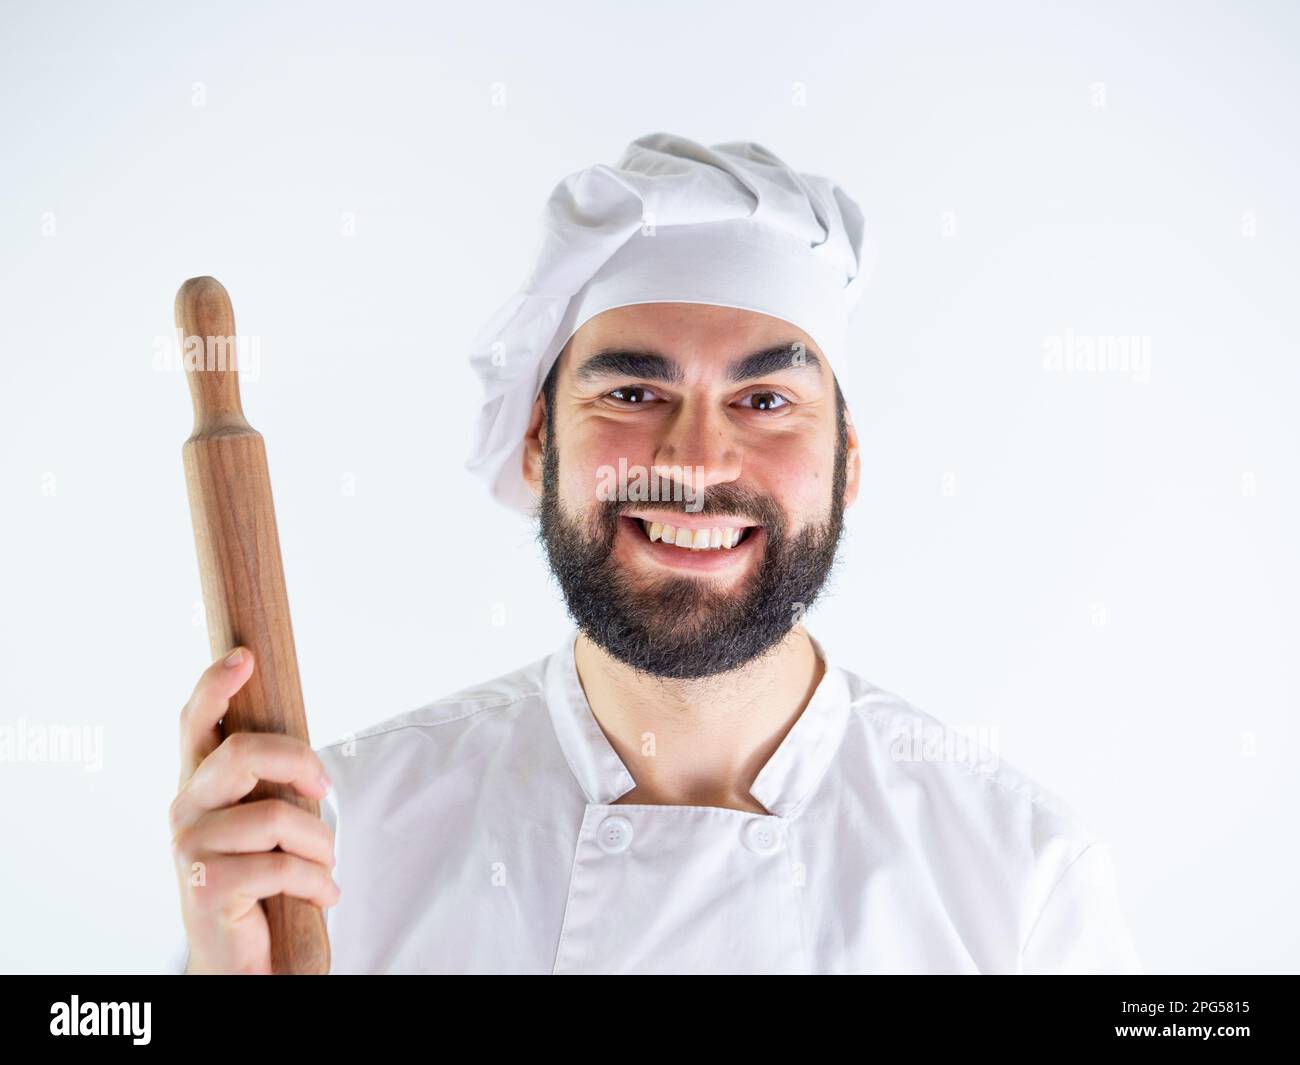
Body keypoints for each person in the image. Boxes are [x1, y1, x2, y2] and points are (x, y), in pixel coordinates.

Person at [170, 132, 1143, 974]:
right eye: (632, 395)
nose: (695, 463)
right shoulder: (331, 859)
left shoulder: (1019, 887)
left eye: (765, 401)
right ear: (539, 443)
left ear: (845, 465)